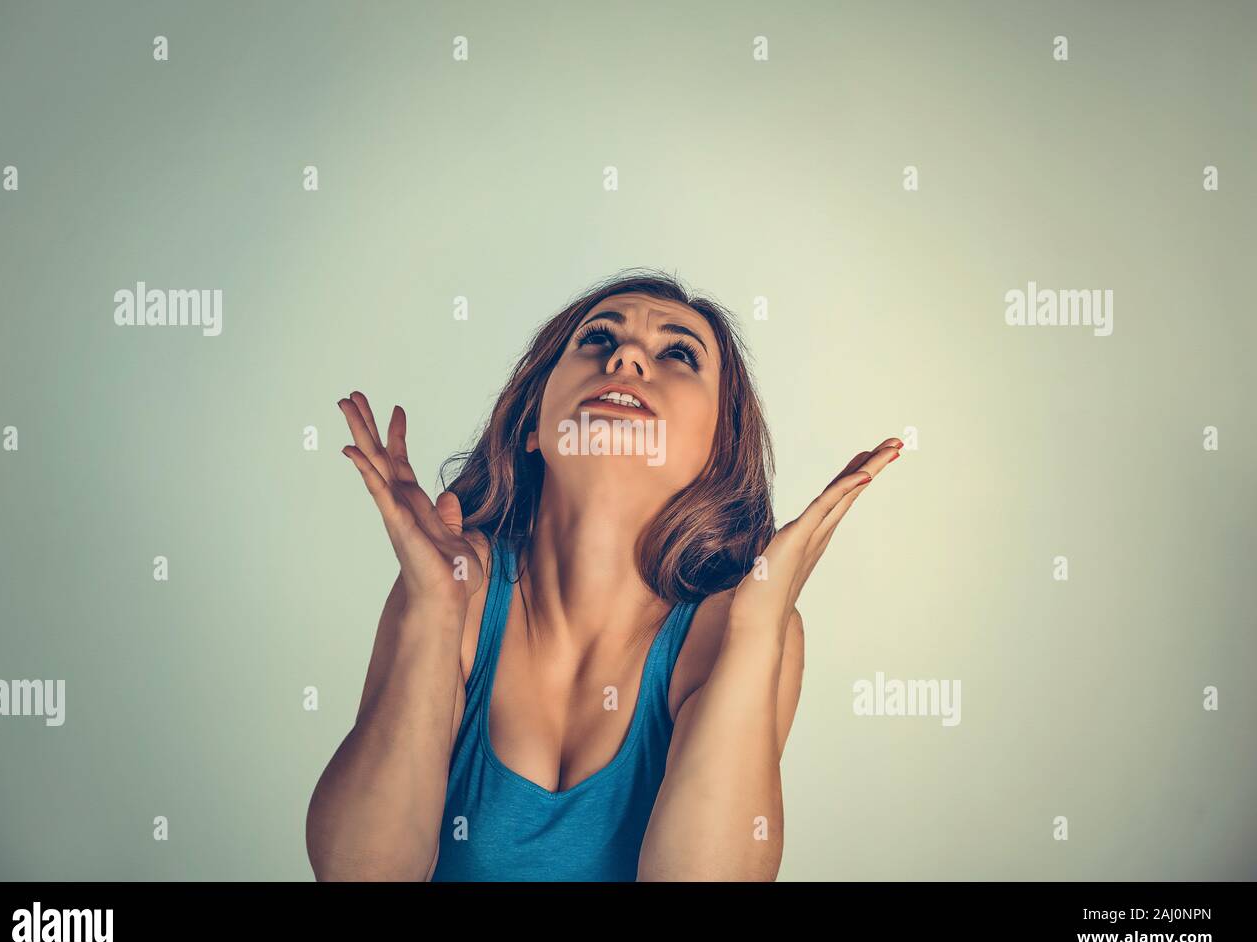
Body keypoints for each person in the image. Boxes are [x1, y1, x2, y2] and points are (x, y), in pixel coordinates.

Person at [305, 268, 901, 881]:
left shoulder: (730, 632)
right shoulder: (457, 585)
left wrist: (758, 627)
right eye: (596, 338)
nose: (626, 357)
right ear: (535, 427)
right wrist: (432, 611)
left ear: (718, 450)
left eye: (679, 353)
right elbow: (360, 872)